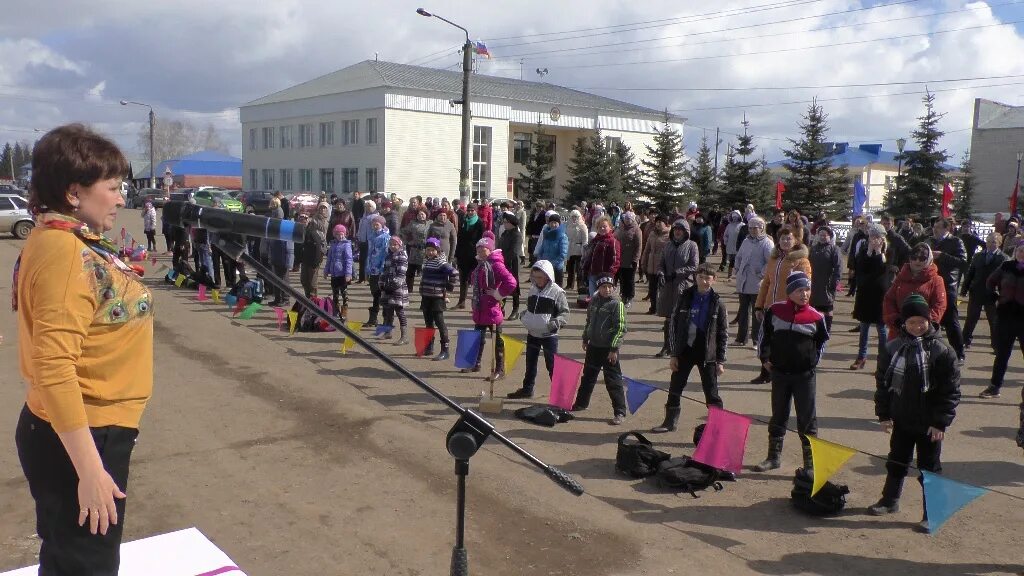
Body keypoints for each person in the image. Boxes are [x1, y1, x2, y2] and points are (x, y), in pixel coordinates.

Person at [12, 125, 153, 574]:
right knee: (85, 565)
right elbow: (53, 367)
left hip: (82, 432)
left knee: (70, 559)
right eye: (112, 188)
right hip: (81, 437)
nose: (120, 199)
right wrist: (90, 472)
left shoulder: (66, 239)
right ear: (74, 192)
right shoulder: (65, 253)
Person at [870, 294, 961, 533]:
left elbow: (950, 392)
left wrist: (940, 422)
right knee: (896, 461)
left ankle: (931, 513)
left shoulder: (942, 351)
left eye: (921, 321)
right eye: (911, 322)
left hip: (929, 423)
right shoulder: (892, 348)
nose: (917, 326)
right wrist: (884, 414)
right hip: (902, 419)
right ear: (904, 324)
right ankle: (890, 500)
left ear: (929, 320)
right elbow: (883, 384)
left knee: (929, 469)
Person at [752, 271, 829, 473]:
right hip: (780, 374)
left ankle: (811, 464)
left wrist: (813, 362)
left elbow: (821, 342)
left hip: (805, 376)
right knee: (779, 414)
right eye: (799, 290)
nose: (804, 294)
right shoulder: (775, 311)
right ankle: (773, 457)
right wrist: (765, 358)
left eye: (807, 289)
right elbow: (764, 336)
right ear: (789, 292)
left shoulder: (816, 317)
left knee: (807, 419)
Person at [652, 263, 728, 433]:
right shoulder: (685, 297)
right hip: (685, 350)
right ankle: (669, 422)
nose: (704, 281)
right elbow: (673, 324)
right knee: (675, 387)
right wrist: (673, 354)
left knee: (711, 392)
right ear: (695, 278)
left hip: (707, 353)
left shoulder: (718, 303)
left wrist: (720, 360)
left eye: (708, 278)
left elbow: (723, 333)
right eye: (701, 277)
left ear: (714, 280)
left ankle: (716, 428)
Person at [752, 228, 810, 383]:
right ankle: (765, 373)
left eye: (789, 239)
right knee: (766, 341)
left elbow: (805, 287)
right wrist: (759, 305)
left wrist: (798, 307)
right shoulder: (774, 259)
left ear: (795, 241)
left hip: (788, 308)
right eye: (783, 238)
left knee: (783, 343)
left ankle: (782, 374)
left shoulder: (801, 261)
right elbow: (766, 284)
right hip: (770, 306)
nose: (785, 242)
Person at [507, 260, 570, 399]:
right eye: (535, 277)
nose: (537, 280)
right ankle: (527, 389)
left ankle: (560, 395)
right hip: (532, 334)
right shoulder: (532, 289)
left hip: (549, 336)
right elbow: (530, 307)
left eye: (540, 277)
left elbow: (565, 313)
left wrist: (554, 324)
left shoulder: (557, 292)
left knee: (552, 365)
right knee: (530, 364)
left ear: (548, 276)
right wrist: (525, 316)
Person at [573, 276, 629, 425]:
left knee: (613, 381)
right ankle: (581, 403)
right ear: (599, 288)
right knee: (588, 377)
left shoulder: (617, 304)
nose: (607, 289)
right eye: (604, 287)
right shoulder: (594, 301)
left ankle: (620, 411)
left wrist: (614, 349)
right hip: (594, 346)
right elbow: (589, 322)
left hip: (608, 349)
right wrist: (585, 338)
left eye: (610, 286)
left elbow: (620, 328)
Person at [465, 233, 518, 380]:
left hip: (492, 307)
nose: (481, 252)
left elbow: (511, 282)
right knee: (478, 338)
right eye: (479, 250)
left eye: (484, 250)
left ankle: (499, 369)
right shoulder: (481, 263)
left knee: (497, 340)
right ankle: (476, 363)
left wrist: (498, 293)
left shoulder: (496, 264)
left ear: (490, 250)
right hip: (480, 306)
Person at [980, 240, 1024, 398]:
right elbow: (990, 281)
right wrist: (995, 297)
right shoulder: (1006, 266)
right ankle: (994, 386)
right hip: (1006, 316)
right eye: (1020, 250)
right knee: (1002, 354)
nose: (1022, 254)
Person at [882, 243, 946, 342]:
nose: (917, 261)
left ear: (929, 259)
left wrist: (925, 323)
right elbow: (889, 299)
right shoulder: (901, 277)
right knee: (890, 356)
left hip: (925, 332)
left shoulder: (936, 280)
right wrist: (895, 320)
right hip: (899, 330)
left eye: (922, 258)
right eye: (914, 257)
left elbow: (939, 305)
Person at [654, 219, 699, 358]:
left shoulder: (692, 246)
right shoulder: (668, 245)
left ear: (686, 232)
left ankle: (680, 348)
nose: (678, 231)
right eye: (676, 229)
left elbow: (694, 266)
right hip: (668, 286)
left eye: (681, 229)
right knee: (668, 318)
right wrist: (661, 273)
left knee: (680, 317)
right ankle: (666, 346)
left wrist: (677, 272)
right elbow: (661, 263)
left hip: (683, 285)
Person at [850, 224, 890, 370]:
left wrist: (879, 253)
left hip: (880, 296)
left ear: (882, 238)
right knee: (864, 328)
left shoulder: (888, 251)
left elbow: (883, 269)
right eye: (872, 236)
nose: (874, 239)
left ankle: (883, 361)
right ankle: (861, 357)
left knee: (882, 330)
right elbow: (860, 267)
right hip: (865, 294)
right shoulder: (864, 250)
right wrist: (869, 252)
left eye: (877, 237)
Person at [928, 218, 968, 362]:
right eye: (934, 227)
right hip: (931, 285)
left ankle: (959, 353)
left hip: (948, 286)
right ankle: (932, 352)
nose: (935, 229)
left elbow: (963, 262)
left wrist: (942, 256)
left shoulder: (956, 242)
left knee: (951, 321)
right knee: (931, 319)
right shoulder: (931, 241)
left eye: (938, 227)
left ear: (947, 229)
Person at [961, 232, 1005, 352]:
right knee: (971, 318)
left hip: (993, 294)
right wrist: (965, 288)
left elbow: (1005, 279)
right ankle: (965, 341)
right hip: (977, 291)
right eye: (989, 241)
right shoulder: (978, 256)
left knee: (994, 321)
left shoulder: (1003, 258)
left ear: (999, 244)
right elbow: (971, 273)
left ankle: (996, 345)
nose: (990, 244)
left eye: (994, 242)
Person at [733, 217, 773, 346]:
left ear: (761, 228)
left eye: (755, 228)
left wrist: (761, 273)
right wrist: (737, 268)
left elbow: (770, 262)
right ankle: (741, 338)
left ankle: (756, 339)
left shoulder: (767, 243)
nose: (752, 230)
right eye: (750, 228)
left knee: (757, 313)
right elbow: (739, 256)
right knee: (743, 311)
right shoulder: (746, 241)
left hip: (757, 284)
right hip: (743, 282)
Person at [420, 237, 459, 360]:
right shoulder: (426, 261)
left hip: (437, 297)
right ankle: (429, 347)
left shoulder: (440, 262)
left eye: (433, 250)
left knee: (440, 323)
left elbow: (454, 273)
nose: (430, 252)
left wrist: (449, 286)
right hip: (426, 296)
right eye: (428, 250)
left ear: (437, 250)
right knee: (428, 323)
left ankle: (445, 350)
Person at [809, 225, 841, 334]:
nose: (822, 237)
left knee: (827, 307)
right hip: (814, 282)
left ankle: (827, 328)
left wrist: (834, 281)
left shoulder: (834, 249)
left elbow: (838, 267)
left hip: (827, 282)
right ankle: (817, 328)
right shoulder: (813, 248)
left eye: (825, 235)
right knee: (815, 306)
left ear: (830, 237)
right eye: (820, 235)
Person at [379, 236, 410, 345]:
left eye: (395, 244)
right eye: (391, 244)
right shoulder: (388, 256)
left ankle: (404, 336)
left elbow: (401, 274)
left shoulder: (402, 257)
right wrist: (382, 283)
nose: (392, 246)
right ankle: (388, 332)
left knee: (399, 311)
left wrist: (393, 285)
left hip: (397, 288)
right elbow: (384, 271)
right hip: (388, 287)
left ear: (400, 245)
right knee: (388, 310)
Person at [454, 203, 485, 309]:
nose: (470, 212)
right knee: (463, 279)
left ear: (476, 211)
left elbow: (482, 240)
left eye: (472, 210)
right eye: (469, 210)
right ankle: (461, 302)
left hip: (475, 255)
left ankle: (479, 303)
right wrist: (456, 254)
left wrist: (481, 254)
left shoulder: (479, 223)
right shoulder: (463, 221)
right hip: (463, 254)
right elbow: (459, 238)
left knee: (477, 280)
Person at [364, 215, 391, 327]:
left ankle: (386, 319)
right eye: (373, 224)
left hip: (381, 270)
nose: (375, 226)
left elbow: (385, 253)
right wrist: (367, 268)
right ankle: (373, 319)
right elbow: (369, 253)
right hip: (372, 269)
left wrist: (383, 268)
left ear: (382, 224)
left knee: (382, 295)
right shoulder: (371, 236)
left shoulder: (385, 237)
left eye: (377, 224)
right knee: (375, 293)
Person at [640, 216, 670, 314]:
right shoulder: (652, 234)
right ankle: (653, 307)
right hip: (651, 265)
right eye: (657, 222)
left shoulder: (669, 235)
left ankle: (661, 308)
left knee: (661, 290)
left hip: (662, 266)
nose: (658, 224)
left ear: (665, 223)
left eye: (660, 222)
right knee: (652, 289)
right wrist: (643, 262)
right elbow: (647, 249)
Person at [498, 213, 524, 320]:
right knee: (501, 286)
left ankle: (515, 309)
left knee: (513, 286)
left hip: (512, 264)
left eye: (506, 222)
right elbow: (499, 247)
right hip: (502, 263)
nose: (504, 224)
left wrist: (504, 259)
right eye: (503, 222)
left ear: (511, 223)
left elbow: (514, 251)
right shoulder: (505, 233)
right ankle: (501, 308)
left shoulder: (517, 235)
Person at [324, 224, 353, 320]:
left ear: (344, 234)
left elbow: (349, 260)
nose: (340, 236)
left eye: (342, 234)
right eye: (338, 234)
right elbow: (329, 259)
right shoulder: (332, 244)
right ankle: (335, 312)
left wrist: (348, 274)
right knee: (335, 294)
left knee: (344, 294)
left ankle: (344, 312)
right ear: (334, 235)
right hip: (334, 274)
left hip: (343, 274)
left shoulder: (346, 245)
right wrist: (326, 270)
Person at [300, 203, 329, 297]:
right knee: (304, 280)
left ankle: (313, 303)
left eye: (324, 208)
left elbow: (324, 239)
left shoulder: (328, 221)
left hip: (318, 252)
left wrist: (320, 255)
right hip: (306, 255)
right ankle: (308, 298)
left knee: (312, 280)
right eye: (321, 208)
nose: (322, 210)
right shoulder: (312, 222)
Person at [615, 211, 643, 307]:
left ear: (632, 219)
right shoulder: (621, 228)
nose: (627, 221)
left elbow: (639, 246)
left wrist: (635, 259)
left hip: (631, 259)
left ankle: (630, 297)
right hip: (621, 258)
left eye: (629, 219)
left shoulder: (637, 230)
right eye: (626, 219)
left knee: (630, 280)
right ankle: (623, 295)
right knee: (622, 279)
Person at [401, 208, 430, 293]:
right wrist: (407, 241)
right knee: (410, 271)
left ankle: (426, 289)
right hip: (415, 250)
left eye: (422, 214)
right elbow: (403, 231)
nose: (421, 216)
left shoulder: (430, 223)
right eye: (419, 214)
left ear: (426, 214)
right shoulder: (413, 224)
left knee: (426, 272)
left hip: (427, 251)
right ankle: (408, 289)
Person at [536, 212, 569, 286]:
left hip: (556, 268)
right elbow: (542, 249)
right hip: (545, 267)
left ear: (559, 224)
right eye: (551, 223)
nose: (553, 225)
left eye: (555, 223)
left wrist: (552, 264)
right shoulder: (547, 234)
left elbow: (563, 254)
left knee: (556, 289)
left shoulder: (562, 236)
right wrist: (540, 260)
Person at [565, 209, 589, 290]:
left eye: (576, 217)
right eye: (573, 217)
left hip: (579, 250)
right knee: (570, 269)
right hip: (570, 249)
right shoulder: (568, 225)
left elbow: (585, 240)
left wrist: (584, 252)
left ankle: (580, 286)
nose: (574, 218)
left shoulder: (583, 226)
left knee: (579, 270)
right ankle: (569, 285)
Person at [355, 199, 378, 283]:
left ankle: (370, 278)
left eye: (370, 206)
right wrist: (358, 236)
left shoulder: (376, 217)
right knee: (362, 259)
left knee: (370, 260)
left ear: (373, 207)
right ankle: (361, 278)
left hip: (371, 241)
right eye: (366, 206)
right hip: (363, 240)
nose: (367, 208)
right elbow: (360, 228)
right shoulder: (364, 216)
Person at [721, 210, 745, 278]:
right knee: (731, 260)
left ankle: (739, 274)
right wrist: (725, 240)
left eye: (736, 217)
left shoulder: (742, 225)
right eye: (733, 217)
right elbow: (725, 235)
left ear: (739, 217)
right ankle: (730, 274)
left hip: (739, 246)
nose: (734, 218)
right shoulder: (729, 225)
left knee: (739, 260)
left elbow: (744, 235)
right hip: (730, 245)